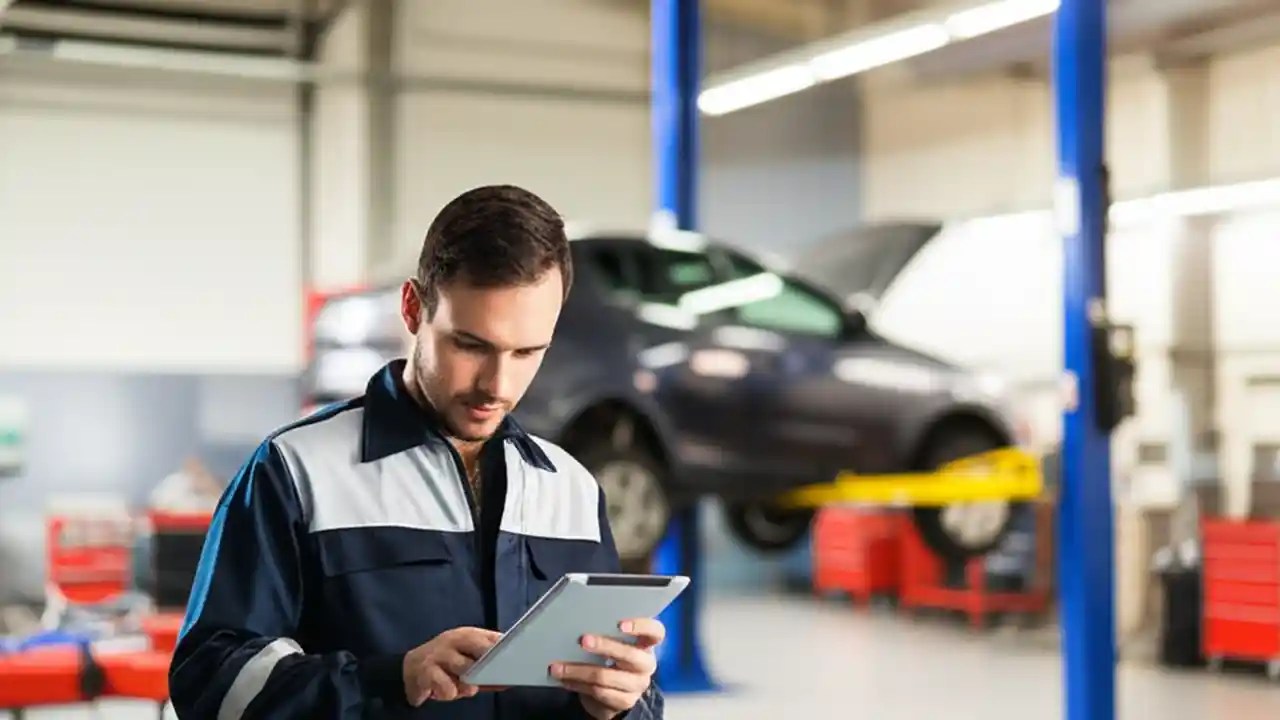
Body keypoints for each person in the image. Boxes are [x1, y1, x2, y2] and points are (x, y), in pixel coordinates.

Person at [169, 185, 666, 719]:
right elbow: (213, 685)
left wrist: (622, 706)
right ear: (412, 308)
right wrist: (391, 678)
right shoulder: (296, 472)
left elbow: (610, 691)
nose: (497, 385)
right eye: (470, 345)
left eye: (527, 351)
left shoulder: (572, 491)